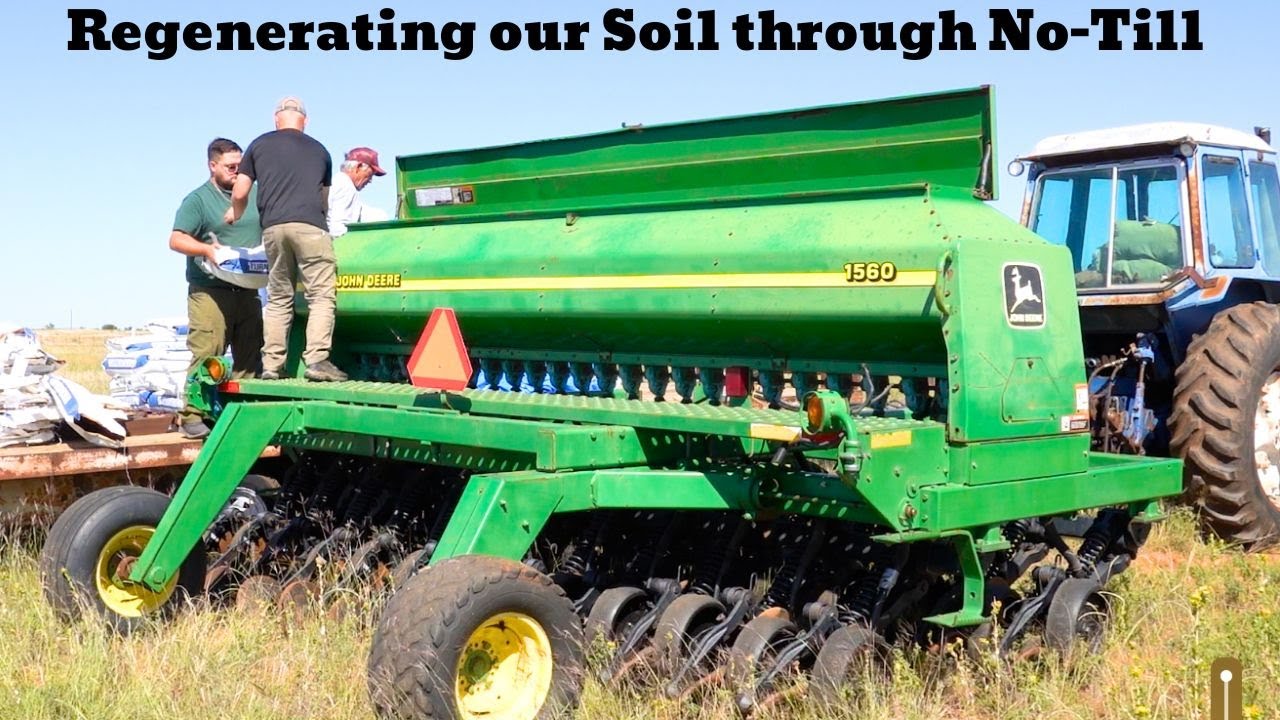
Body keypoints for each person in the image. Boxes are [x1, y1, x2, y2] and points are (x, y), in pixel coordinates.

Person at [225, 96, 348, 382]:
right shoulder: (320, 150)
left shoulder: (258, 144)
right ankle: (317, 360)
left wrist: (235, 212)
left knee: (279, 297)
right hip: (310, 226)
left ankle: (271, 365)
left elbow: (240, 192)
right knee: (320, 295)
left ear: (275, 118)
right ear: (304, 121)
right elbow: (324, 200)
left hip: (273, 228)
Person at [169, 138, 264, 438]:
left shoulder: (255, 194)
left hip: (247, 289)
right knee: (209, 350)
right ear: (212, 165)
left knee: (250, 353)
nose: (237, 171)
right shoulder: (198, 200)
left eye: (241, 166)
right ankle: (193, 415)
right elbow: (176, 239)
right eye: (230, 167)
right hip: (210, 290)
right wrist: (208, 251)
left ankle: (241, 411)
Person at [327, 146, 387, 238]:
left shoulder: (337, 181)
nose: (370, 180)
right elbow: (337, 228)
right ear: (358, 167)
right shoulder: (346, 186)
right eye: (370, 175)